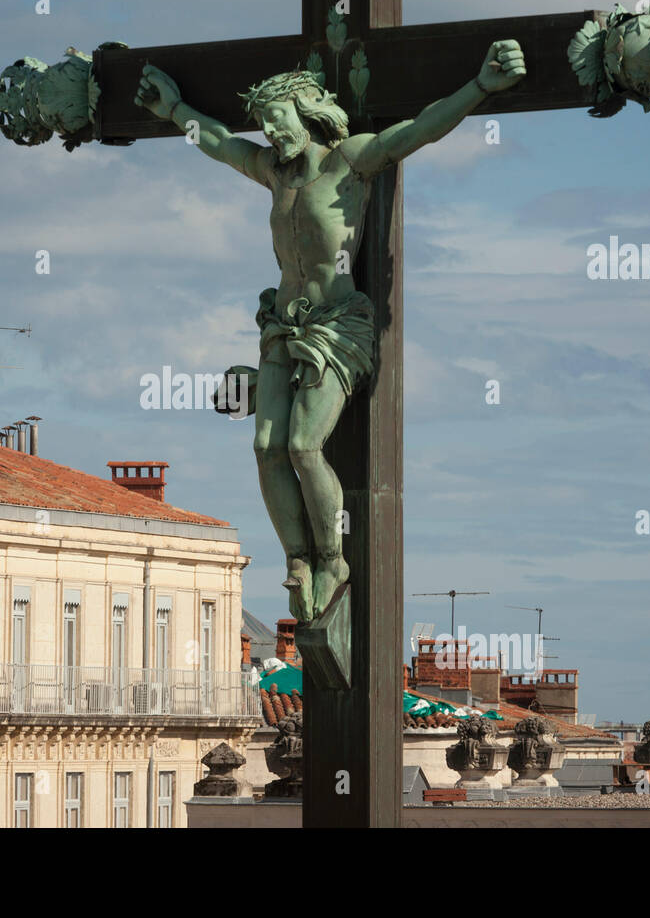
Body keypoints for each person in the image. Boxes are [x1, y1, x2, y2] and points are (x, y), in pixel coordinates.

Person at [135, 42, 526, 621]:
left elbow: (418, 131)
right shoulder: (274, 172)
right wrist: (173, 112)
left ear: (307, 113)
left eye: (279, 118)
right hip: (281, 324)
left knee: (301, 443)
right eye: (265, 122)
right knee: (266, 446)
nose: (271, 131)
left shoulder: (352, 162)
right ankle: (298, 560)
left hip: (336, 328)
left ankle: (331, 557)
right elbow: (219, 143)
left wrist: (481, 87)